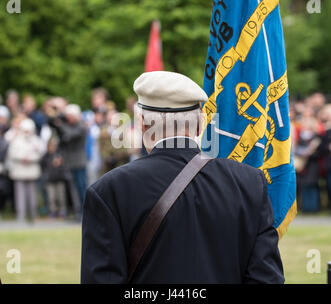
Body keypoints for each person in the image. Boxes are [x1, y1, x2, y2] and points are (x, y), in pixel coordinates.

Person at [81, 71, 284, 284]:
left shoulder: (109, 190)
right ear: (199, 124)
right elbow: (266, 278)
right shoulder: (249, 182)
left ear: (142, 124)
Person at [6, 118, 43, 222]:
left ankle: (33, 213)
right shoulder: (17, 140)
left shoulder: (36, 140)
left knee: (32, 194)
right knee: (20, 194)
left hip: (32, 171)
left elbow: (40, 153)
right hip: (19, 171)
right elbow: (12, 153)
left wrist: (30, 159)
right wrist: (23, 158)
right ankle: (20, 214)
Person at [42, 138, 68, 218]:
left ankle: (62, 211)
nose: (52, 148)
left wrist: (60, 164)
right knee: (51, 197)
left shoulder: (60, 155)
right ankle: (52, 211)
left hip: (59, 179)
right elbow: (43, 166)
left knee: (61, 196)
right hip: (50, 180)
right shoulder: (45, 156)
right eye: (50, 146)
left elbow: (64, 167)